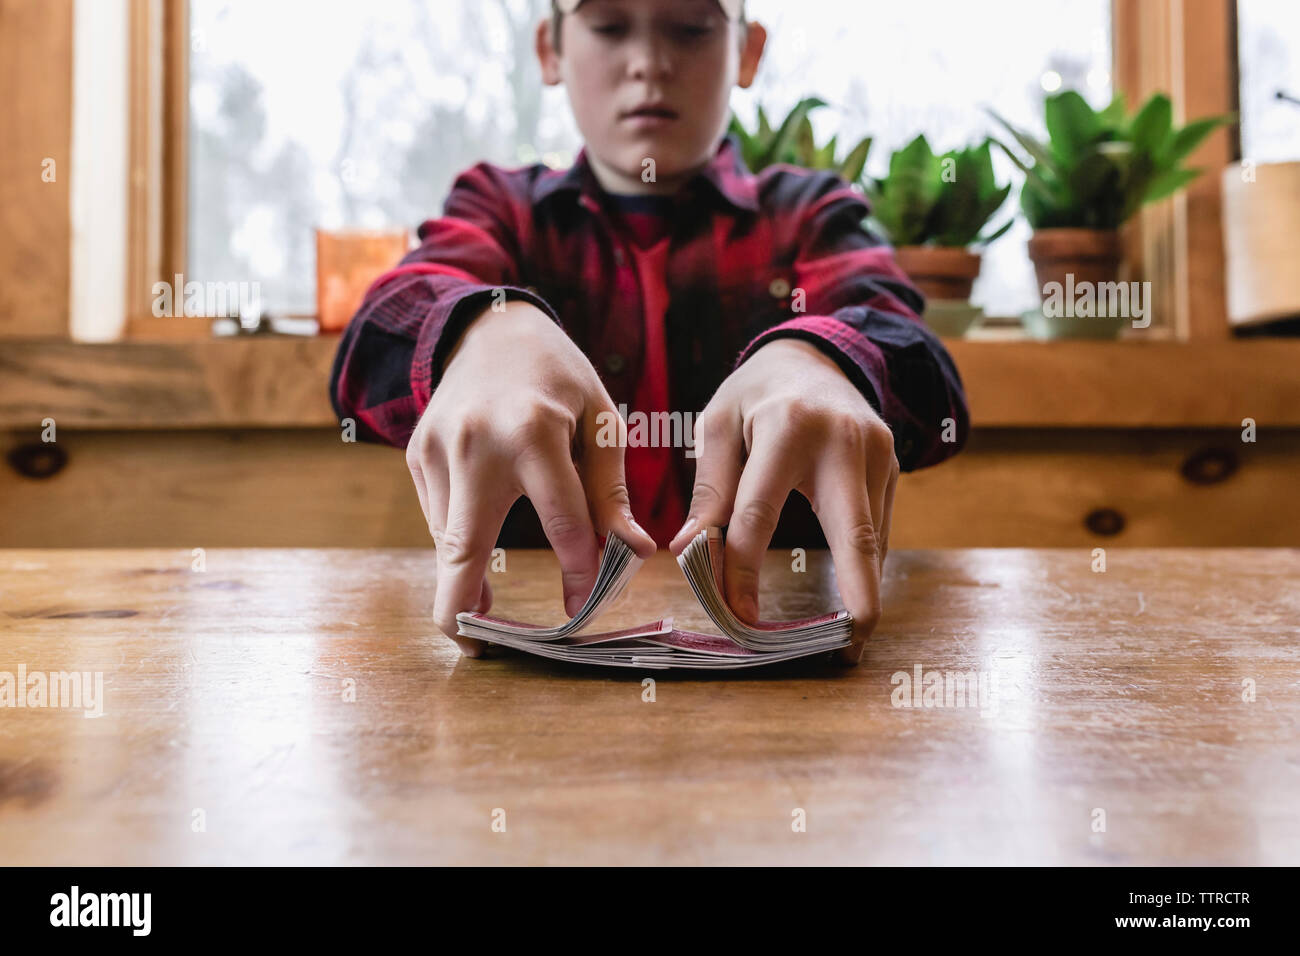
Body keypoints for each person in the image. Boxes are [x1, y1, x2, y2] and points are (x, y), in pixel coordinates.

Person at [330, 0, 970, 664]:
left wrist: (824, 358)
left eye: (692, 28)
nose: (650, 65)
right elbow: (373, 345)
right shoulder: (501, 209)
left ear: (747, 53)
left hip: (785, 684)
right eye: (608, 26)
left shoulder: (810, 214)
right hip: (529, 693)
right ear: (549, 50)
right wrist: (481, 331)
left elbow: (920, 367)